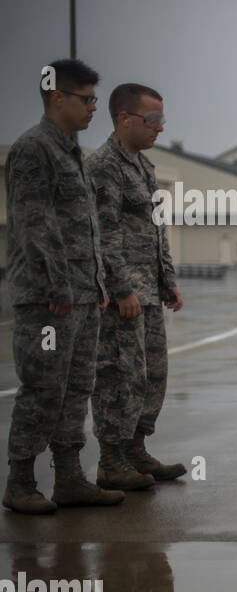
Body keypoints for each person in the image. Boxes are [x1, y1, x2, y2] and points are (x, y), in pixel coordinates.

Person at [3, 58, 123, 514]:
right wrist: (58, 287)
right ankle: (19, 483)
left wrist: (96, 286)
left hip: (81, 296)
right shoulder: (34, 149)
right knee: (42, 388)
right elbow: (35, 225)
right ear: (58, 97)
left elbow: (82, 229)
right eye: (87, 99)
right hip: (48, 300)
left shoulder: (72, 152)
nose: (94, 108)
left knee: (77, 386)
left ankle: (70, 477)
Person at [88, 83, 186, 492]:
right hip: (123, 297)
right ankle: (111, 460)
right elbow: (104, 234)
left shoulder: (143, 167)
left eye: (162, 119)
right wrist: (121, 288)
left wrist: (168, 280)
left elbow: (154, 230)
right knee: (119, 376)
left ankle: (136, 449)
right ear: (123, 119)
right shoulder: (103, 167)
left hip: (148, 292)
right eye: (152, 120)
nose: (159, 128)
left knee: (152, 375)